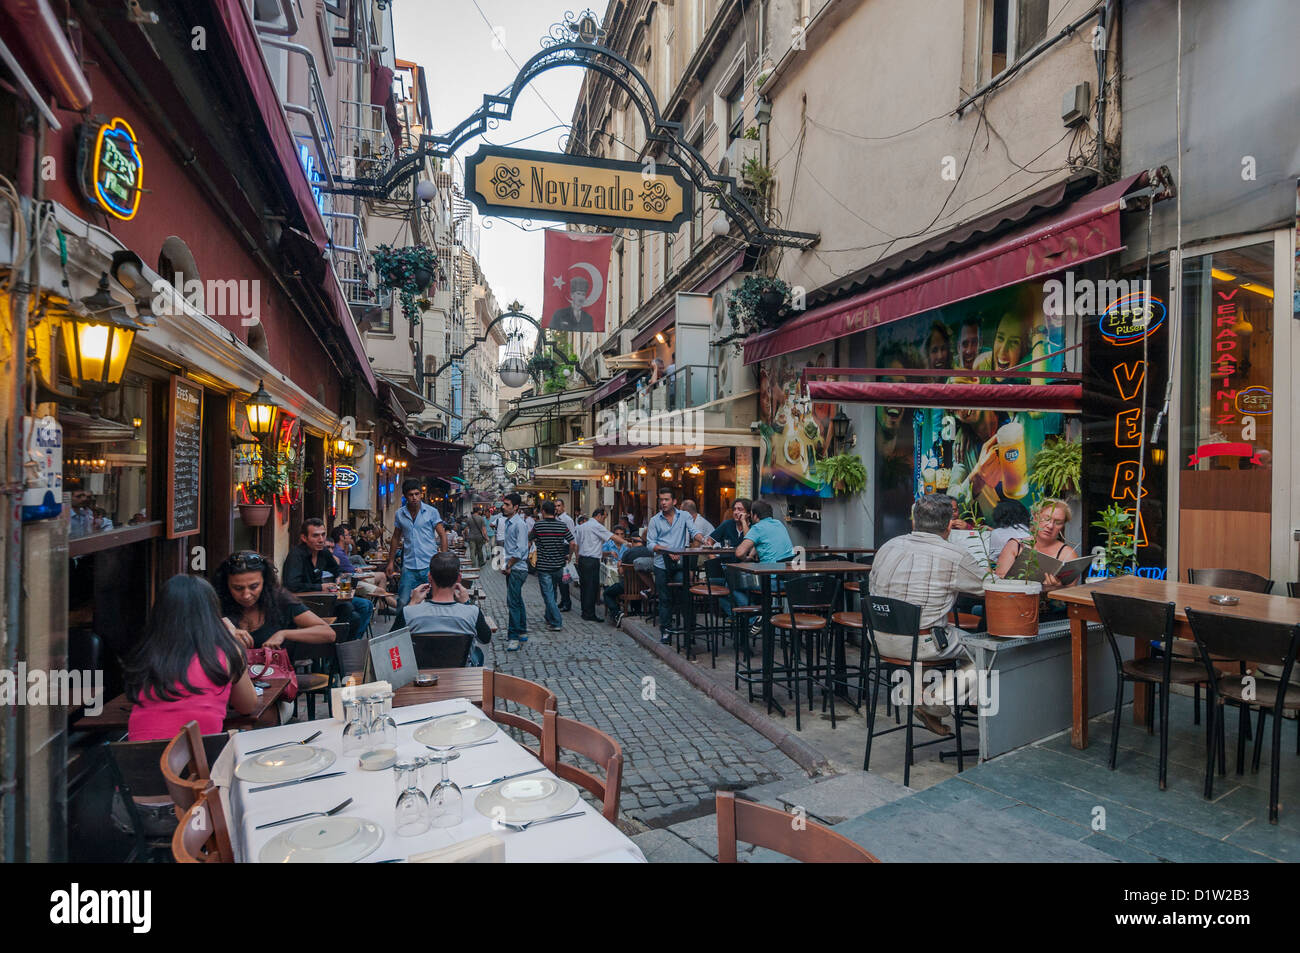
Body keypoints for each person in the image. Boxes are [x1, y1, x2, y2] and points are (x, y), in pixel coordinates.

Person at [869, 493, 987, 736]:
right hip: (922, 643)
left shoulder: (887, 547)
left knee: (929, 626)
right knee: (987, 653)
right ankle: (933, 698)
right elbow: (988, 586)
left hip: (879, 640)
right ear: (948, 526)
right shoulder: (954, 555)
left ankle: (924, 701)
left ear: (914, 521)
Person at [124, 574, 259, 741]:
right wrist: (230, 640)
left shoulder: (146, 653)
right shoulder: (225, 652)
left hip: (136, 757)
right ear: (211, 613)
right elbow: (247, 706)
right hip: (198, 759)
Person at [215, 550, 336, 650]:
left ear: (265, 582)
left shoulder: (280, 600)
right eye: (238, 588)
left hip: (275, 676)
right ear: (226, 585)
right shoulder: (216, 604)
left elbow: (328, 633)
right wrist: (225, 632)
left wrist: (283, 634)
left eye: (254, 587)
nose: (246, 595)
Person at [283, 518, 371, 640]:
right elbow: (291, 585)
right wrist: (320, 587)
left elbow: (337, 570)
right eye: (315, 536)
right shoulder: (296, 555)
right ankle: (333, 650)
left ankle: (345, 649)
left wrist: (339, 578)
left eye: (323, 535)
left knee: (357, 611)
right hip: (302, 604)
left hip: (323, 601)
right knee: (349, 612)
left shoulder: (323, 552)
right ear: (304, 538)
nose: (321, 540)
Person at [404, 552, 493, 666]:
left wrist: (412, 603)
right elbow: (485, 638)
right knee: (478, 653)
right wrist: (467, 603)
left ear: (430, 577)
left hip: (422, 676)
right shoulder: (472, 613)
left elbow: (390, 643)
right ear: (459, 578)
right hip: (458, 676)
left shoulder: (408, 613)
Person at [387, 478, 449, 610]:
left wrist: (444, 559)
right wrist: (391, 561)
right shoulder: (400, 514)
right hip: (409, 566)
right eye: (411, 495)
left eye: (417, 494)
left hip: (429, 565)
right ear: (405, 496)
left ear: (421, 494)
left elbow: (443, 535)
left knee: (433, 602)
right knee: (403, 602)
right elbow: (395, 537)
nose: (414, 497)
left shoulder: (431, 512)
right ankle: (402, 630)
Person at [994, 498, 1078, 588]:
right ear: (1035, 517)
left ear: (1063, 526)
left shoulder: (1068, 554)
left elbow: (1071, 593)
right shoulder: (1015, 546)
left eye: (1058, 522)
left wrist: (1058, 587)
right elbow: (999, 581)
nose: (1050, 526)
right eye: (1046, 519)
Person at [646, 487, 694, 644]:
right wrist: (668, 550)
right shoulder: (655, 520)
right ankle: (665, 631)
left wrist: (705, 539)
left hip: (680, 564)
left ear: (674, 501)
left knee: (685, 595)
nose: (663, 503)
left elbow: (694, 531)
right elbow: (650, 544)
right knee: (665, 599)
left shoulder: (685, 516)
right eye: (661, 500)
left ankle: (689, 632)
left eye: (666, 499)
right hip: (661, 564)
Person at [573, 507, 626, 621]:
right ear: (599, 516)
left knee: (584, 587)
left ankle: (585, 611)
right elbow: (612, 536)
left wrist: (577, 558)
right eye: (604, 517)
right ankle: (589, 614)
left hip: (583, 559)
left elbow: (577, 545)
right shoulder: (596, 526)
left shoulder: (581, 527)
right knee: (592, 587)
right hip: (592, 561)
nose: (604, 520)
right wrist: (627, 542)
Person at [530, 500, 576, 632]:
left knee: (548, 595)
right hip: (559, 565)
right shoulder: (562, 526)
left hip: (544, 566)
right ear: (554, 511)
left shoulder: (538, 526)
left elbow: (529, 539)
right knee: (553, 592)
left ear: (543, 511)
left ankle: (556, 621)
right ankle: (549, 616)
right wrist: (568, 555)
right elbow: (572, 542)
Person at [329, 525, 396, 608]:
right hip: (349, 583)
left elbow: (349, 568)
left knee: (382, 575)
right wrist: (359, 573)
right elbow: (352, 572)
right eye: (348, 535)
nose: (350, 536)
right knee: (381, 588)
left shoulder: (340, 550)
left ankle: (383, 607)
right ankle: (400, 609)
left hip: (351, 580)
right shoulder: (338, 553)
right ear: (341, 537)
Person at [499, 493, 530, 651]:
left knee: (512, 603)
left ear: (516, 507)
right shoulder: (510, 522)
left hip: (517, 568)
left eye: (507, 505)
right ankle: (522, 631)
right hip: (514, 567)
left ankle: (513, 637)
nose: (503, 507)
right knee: (517, 600)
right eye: (504, 504)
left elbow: (521, 549)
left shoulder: (519, 524)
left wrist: (508, 565)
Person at [603, 529, 653, 626]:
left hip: (627, 587)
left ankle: (617, 613)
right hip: (645, 587)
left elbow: (621, 572)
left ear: (633, 541)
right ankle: (637, 609)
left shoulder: (628, 552)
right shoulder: (650, 551)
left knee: (607, 593)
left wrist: (619, 566)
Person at [734, 499, 795, 563]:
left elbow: (739, 553)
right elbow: (764, 542)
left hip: (770, 570)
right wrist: (751, 555)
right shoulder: (778, 523)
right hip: (788, 569)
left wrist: (745, 559)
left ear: (755, 516)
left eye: (751, 514)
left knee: (733, 571)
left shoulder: (758, 528)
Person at [553, 498, 576, 611]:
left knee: (564, 578)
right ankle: (563, 601)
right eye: (555, 506)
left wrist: (570, 555)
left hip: (565, 548)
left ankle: (567, 603)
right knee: (559, 578)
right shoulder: (556, 519)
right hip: (558, 548)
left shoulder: (567, 519)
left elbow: (572, 538)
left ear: (563, 507)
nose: (557, 508)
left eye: (558, 506)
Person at [464, 505, 489, 569]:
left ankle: (473, 565)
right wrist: (486, 537)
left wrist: (467, 536)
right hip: (479, 537)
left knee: (472, 551)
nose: (481, 511)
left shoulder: (469, 519)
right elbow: (484, 530)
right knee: (479, 550)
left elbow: (466, 529)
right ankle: (481, 563)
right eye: (480, 510)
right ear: (478, 511)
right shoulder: (481, 518)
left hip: (471, 537)